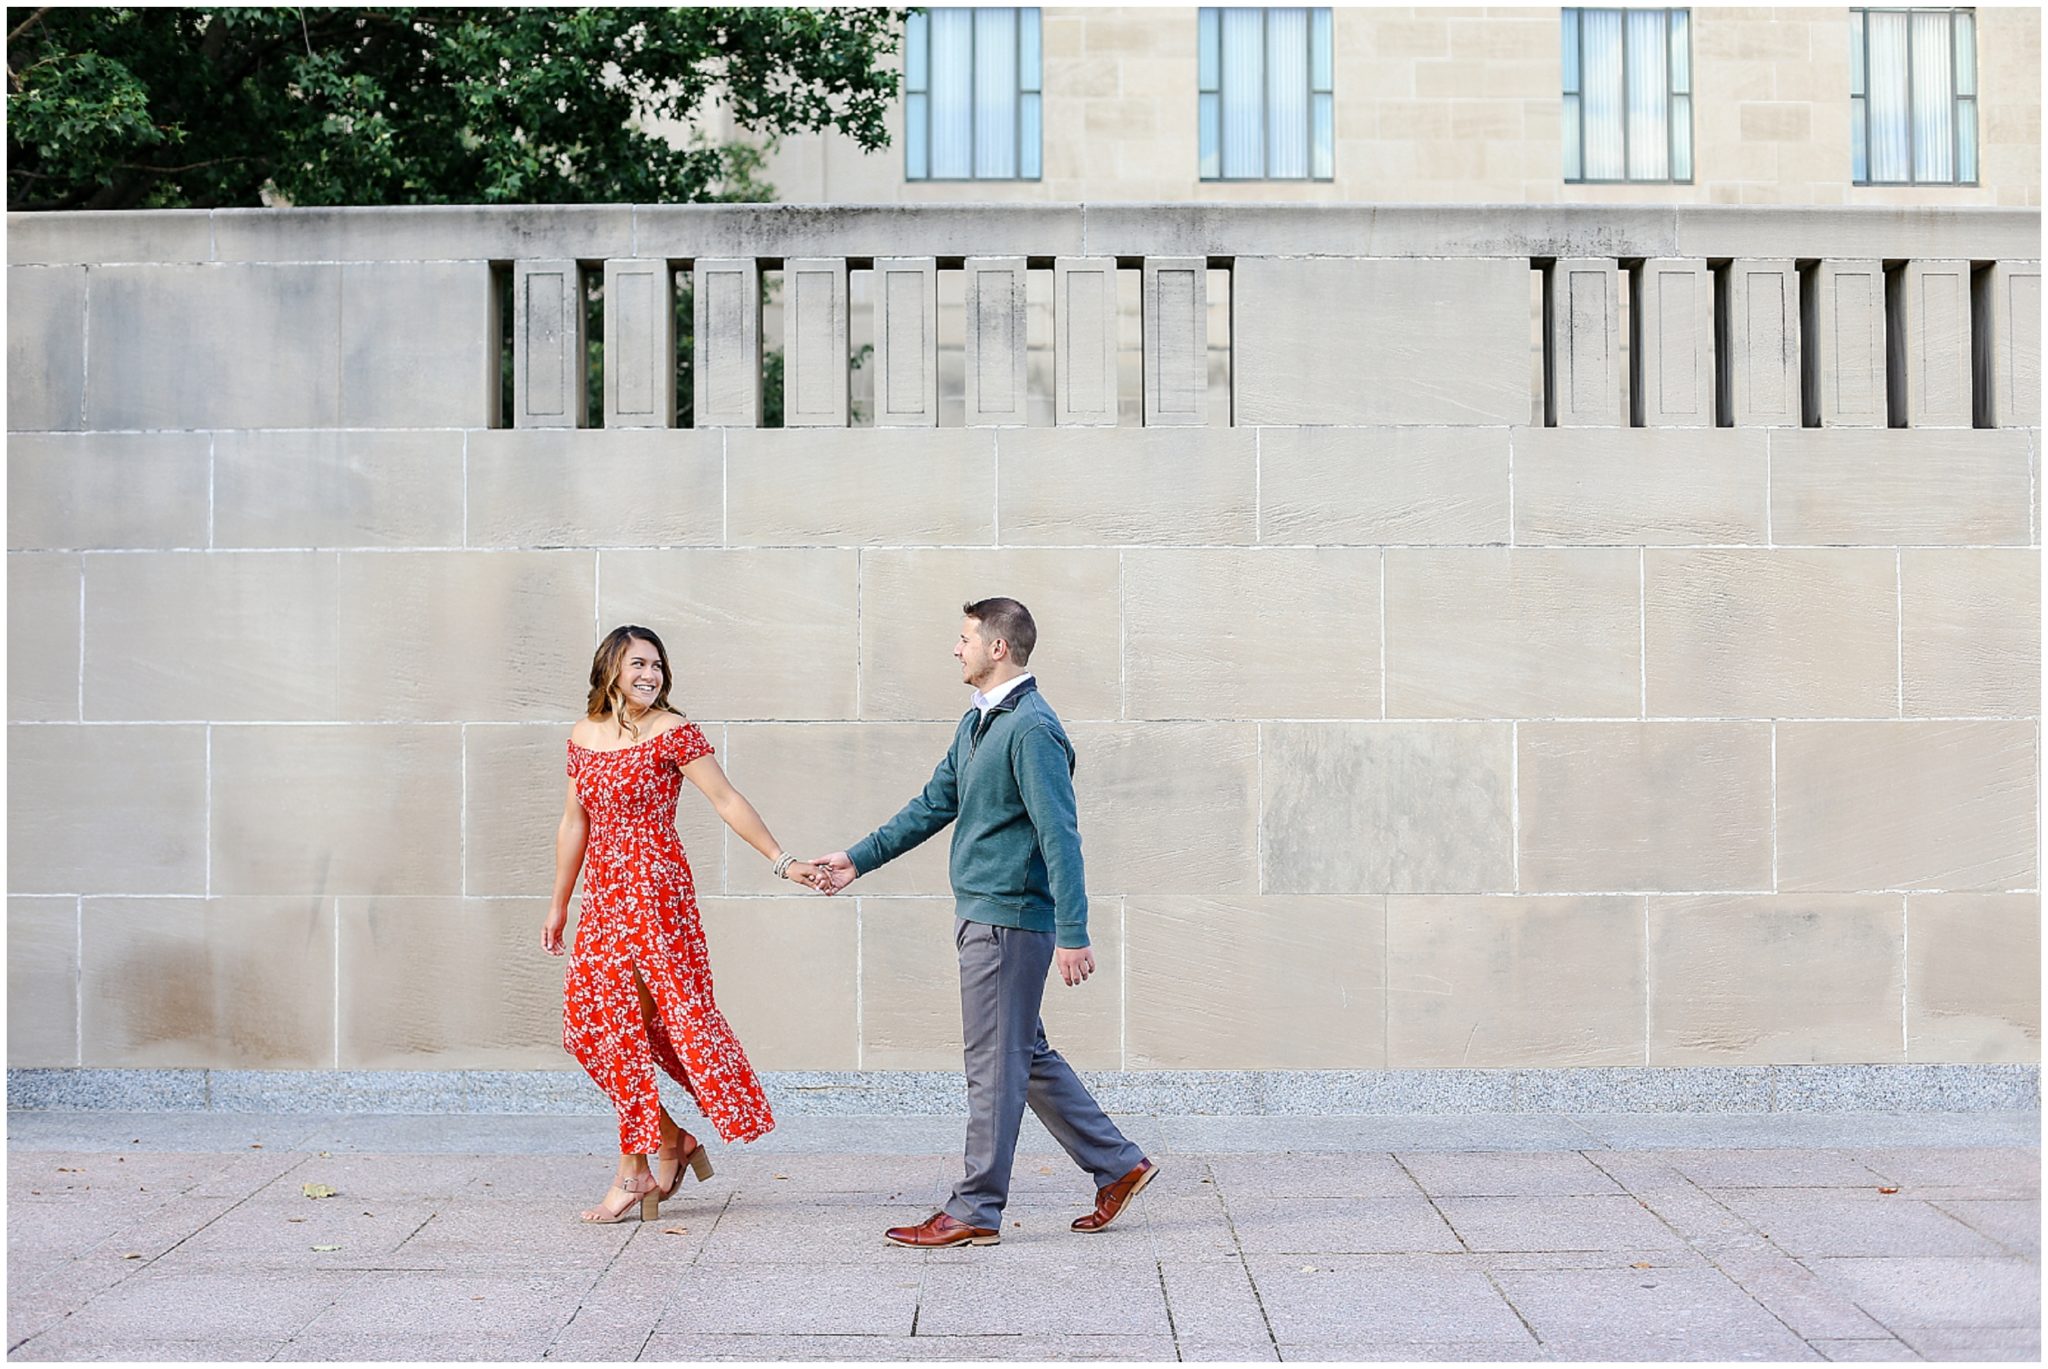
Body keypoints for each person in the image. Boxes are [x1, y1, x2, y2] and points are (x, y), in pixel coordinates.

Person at [811, 597, 1157, 1247]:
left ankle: (975, 1205)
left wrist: (1075, 931)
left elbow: (1062, 836)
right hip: (984, 914)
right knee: (1023, 1057)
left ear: (998, 647)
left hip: (1009, 921)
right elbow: (930, 805)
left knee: (992, 1066)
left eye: (964, 636)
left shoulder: (1031, 728)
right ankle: (1118, 1164)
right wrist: (856, 859)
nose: (956, 647)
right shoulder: (980, 723)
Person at [545, 624, 825, 1224]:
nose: (650, 675)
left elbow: (725, 798)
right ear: (610, 670)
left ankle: (633, 1171)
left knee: (626, 1024)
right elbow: (575, 822)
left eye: (658, 666)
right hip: (604, 897)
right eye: (638, 665)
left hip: (655, 892)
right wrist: (559, 903)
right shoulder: (582, 735)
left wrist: (783, 862)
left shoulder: (671, 733)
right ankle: (670, 1138)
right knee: (587, 1028)